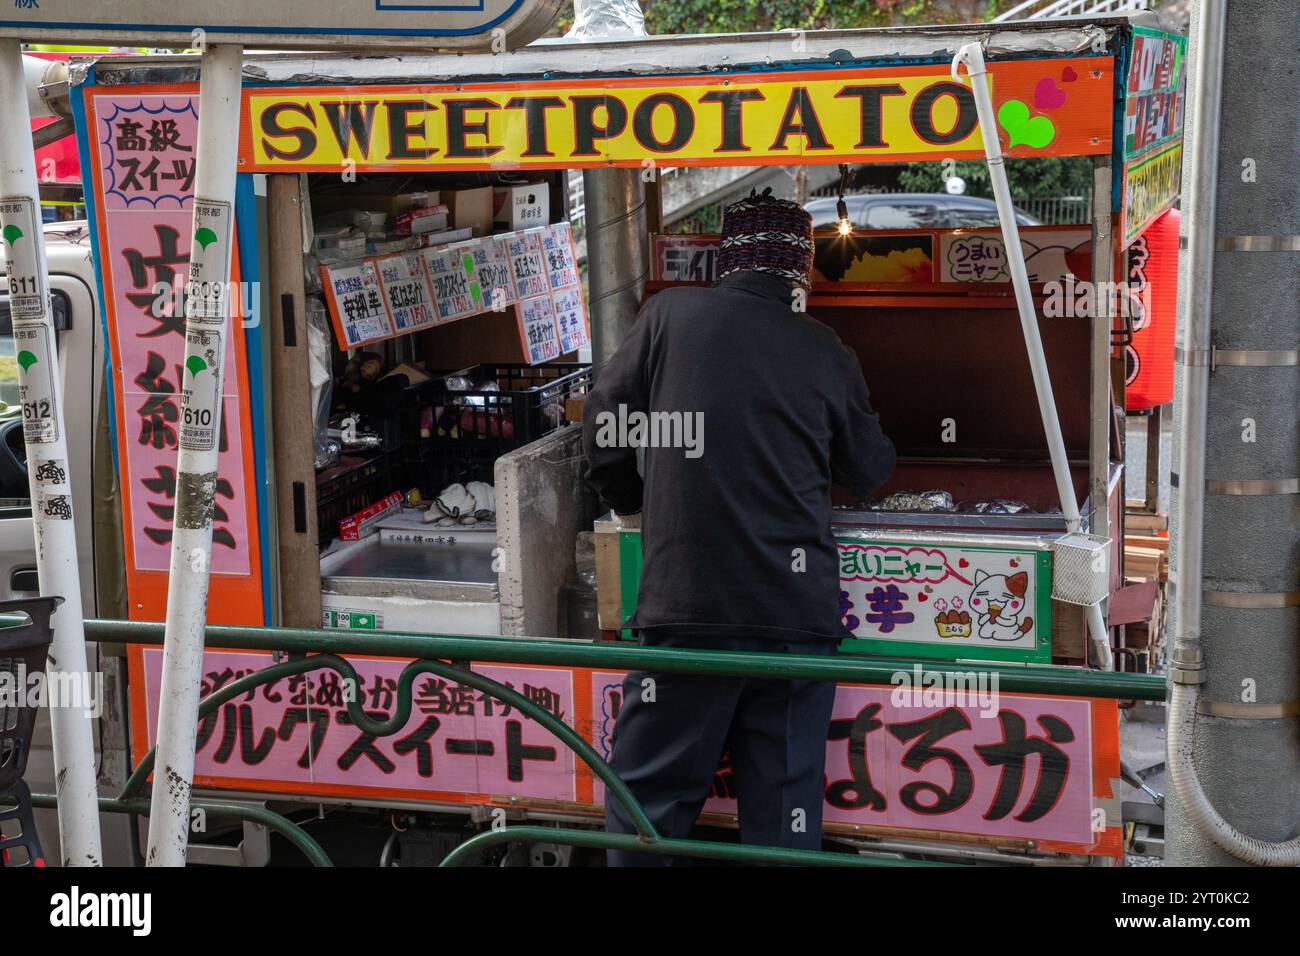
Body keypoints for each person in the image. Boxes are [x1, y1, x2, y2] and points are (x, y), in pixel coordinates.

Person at [583, 189, 896, 865]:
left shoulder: (667, 316)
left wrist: (639, 502)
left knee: (647, 811)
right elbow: (870, 468)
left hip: (686, 609)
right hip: (793, 626)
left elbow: (603, 430)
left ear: (726, 261)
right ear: (799, 272)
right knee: (783, 824)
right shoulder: (824, 348)